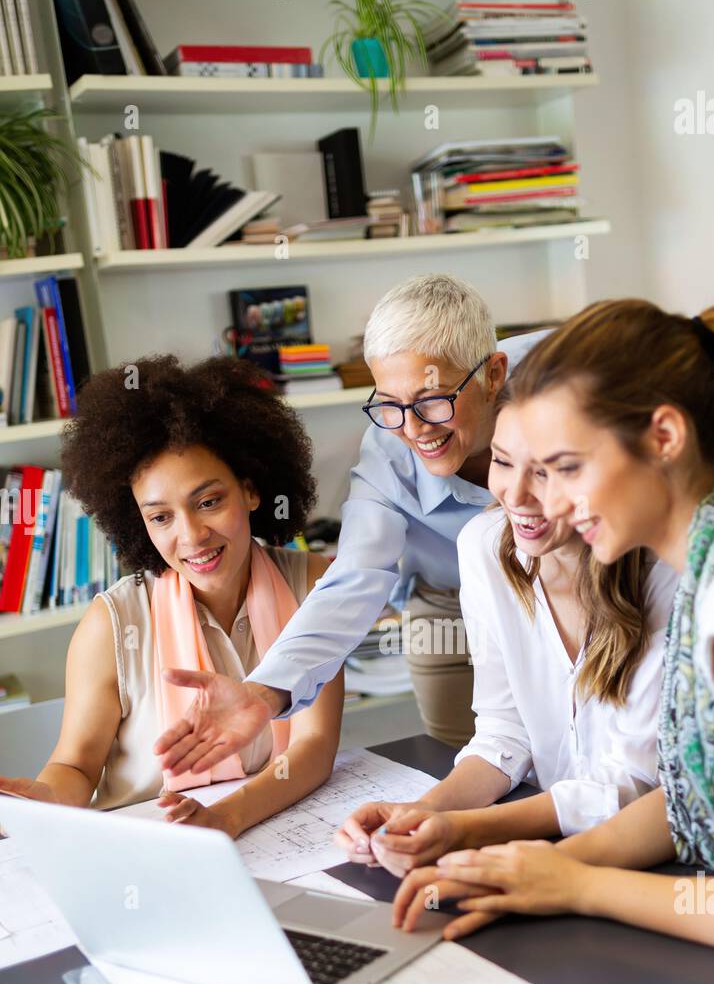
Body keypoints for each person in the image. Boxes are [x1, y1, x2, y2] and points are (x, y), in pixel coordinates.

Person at [393, 300, 714, 957]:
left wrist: (579, 887)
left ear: (664, 438)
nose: (549, 503)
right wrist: (540, 867)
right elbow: (681, 796)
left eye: (568, 467)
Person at [151, 275, 548, 770]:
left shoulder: (566, 374)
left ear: (493, 374)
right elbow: (354, 578)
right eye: (390, 404)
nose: (414, 428)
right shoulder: (387, 454)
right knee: (466, 759)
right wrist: (265, 692)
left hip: (570, 585)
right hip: (447, 600)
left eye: (432, 399)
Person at [335, 389, 678, 875]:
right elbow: (504, 730)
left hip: (650, 862)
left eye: (545, 471)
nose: (514, 496)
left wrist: (466, 831)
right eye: (501, 460)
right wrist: (426, 811)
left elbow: (638, 784)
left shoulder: (666, 573)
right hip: (551, 849)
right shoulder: (484, 546)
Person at [0, 356, 343, 838]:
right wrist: (49, 800)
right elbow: (77, 768)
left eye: (208, 502)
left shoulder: (313, 586)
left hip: (274, 831)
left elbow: (314, 746)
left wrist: (225, 819)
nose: (192, 536)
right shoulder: (112, 625)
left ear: (250, 489)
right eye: (161, 517)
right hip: (151, 848)